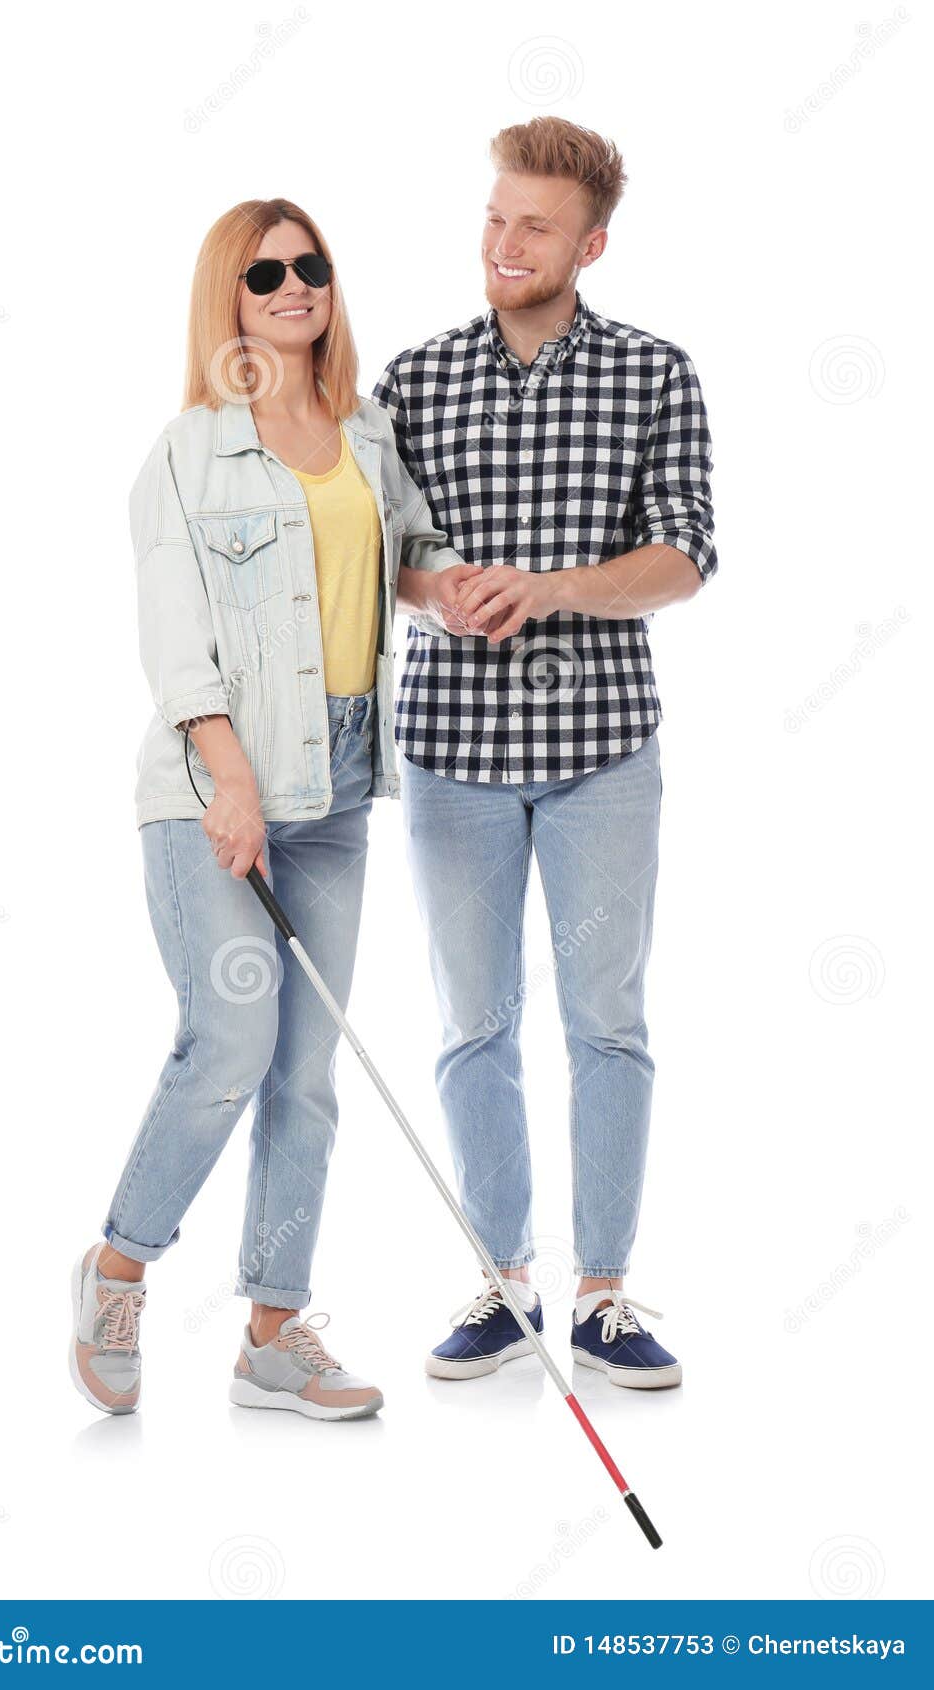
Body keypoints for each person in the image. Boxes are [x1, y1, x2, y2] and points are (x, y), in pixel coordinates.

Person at [70, 199, 465, 1420]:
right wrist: (228, 778)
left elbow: (406, 557)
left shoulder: (364, 428)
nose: (295, 286)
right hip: (210, 789)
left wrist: (457, 589)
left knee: (306, 1070)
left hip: (338, 789)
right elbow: (173, 639)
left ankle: (274, 1332)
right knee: (231, 1042)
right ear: (229, 301)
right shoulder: (188, 452)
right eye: (266, 272)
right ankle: (121, 1264)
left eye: (312, 266)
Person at [375, 117, 717, 1389]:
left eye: (533, 226)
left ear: (590, 243)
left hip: (600, 756)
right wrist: (436, 587)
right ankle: (503, 1282)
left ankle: (604, 1295)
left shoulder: (653, 374)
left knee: (606, 1022)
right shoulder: (412, 380)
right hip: (454, 754)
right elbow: (381, 561)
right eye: (494, 217)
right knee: (474, 1024)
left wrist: (556, 587)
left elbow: (685, 554)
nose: (504, 244)